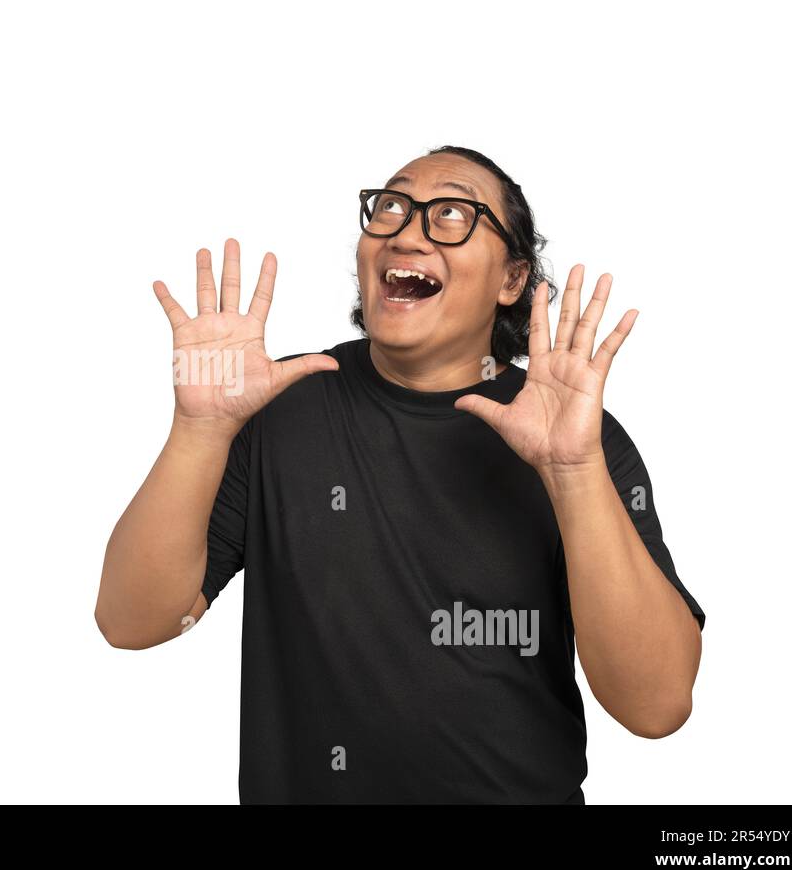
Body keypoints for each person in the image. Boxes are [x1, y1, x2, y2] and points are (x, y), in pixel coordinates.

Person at [95, 145, 705, 804]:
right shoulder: (277, 408)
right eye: (390, 206)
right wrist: (201, 431)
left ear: (511, 280)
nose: (406, 230)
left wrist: (573, 469)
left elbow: (656, 707)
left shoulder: (577, 437)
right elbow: (134, 623)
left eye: (451, 214)